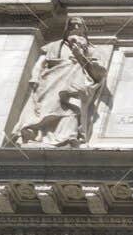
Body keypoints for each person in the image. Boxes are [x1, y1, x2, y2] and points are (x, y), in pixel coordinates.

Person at [9, 18, 107, 147]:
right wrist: (34, 77)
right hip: (50, 80)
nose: (75, 28)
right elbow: (41, 63)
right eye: (72, 25)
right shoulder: (54, 45)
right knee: (46, 105)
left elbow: (99, 72)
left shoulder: (91, 49)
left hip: (76, 80)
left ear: (84, 31)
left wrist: (80, 56)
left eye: (79, 25)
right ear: (67, 29)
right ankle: (38, 132)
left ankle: (67, 136)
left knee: (72, 104)